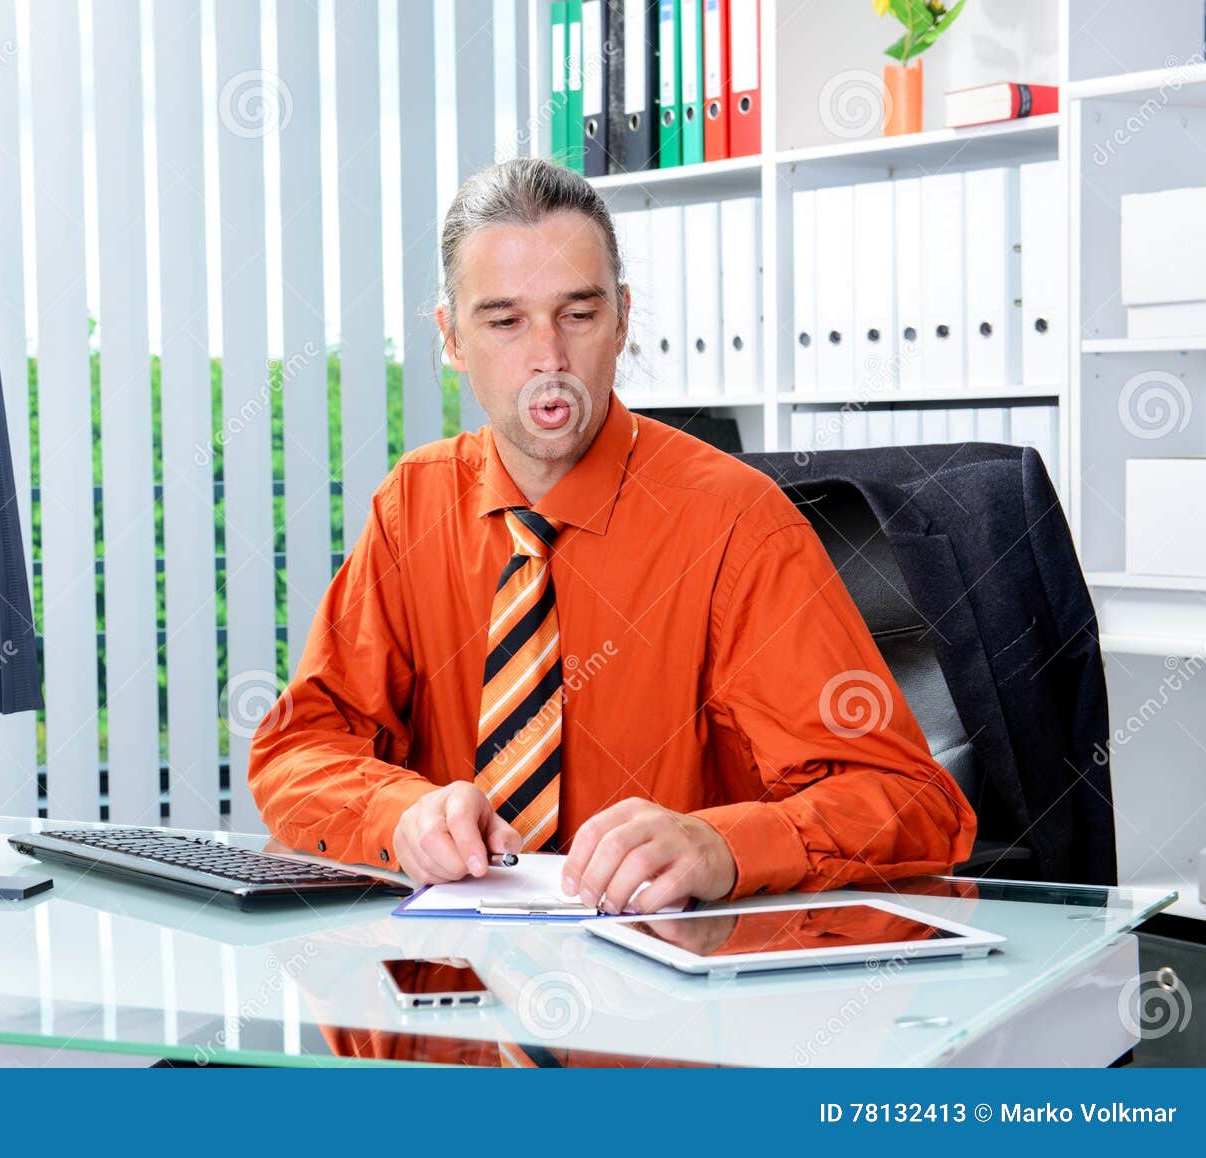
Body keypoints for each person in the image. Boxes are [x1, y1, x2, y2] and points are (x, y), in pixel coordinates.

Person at [248, 156, 975, 916]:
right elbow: (301, 748)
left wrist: (723, 846)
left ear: (622, 319)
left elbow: (908, 801)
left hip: (670, 966)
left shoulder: (737, 523)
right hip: (455, 964)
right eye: (505, 321)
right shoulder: (414, 504)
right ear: (452, 339)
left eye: (578, 314)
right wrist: (398, 817)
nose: (548, 359)